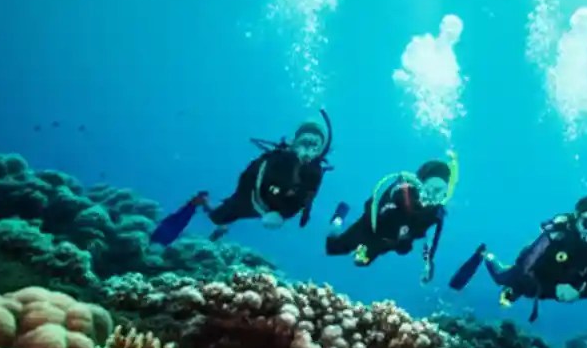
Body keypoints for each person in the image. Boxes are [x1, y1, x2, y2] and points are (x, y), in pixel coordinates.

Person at [151, 113, 333, 245]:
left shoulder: (315, 172)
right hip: (250, 200)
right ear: (295, 141)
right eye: (304, 142)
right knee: (218, 217)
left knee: (227, 218)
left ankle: (223, 224)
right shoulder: (277, 158)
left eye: (314, 145)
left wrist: (283, 214)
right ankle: (201, 202)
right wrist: (241, 202)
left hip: (271, 210)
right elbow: (249, 177)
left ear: (321, 149)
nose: (307, 149)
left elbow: (306, 199)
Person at [448, 194, 587, 322]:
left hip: (553, 287)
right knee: (502, 279)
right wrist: (554, 290)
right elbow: (525, 268)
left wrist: (578, 294)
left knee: (517, 294)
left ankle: (512, 292)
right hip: (531, 278)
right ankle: (485, 254)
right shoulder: (556, 235)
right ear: (577, 217)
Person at [325, 152, 457, 283]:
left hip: (393, 241)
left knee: (362, 262)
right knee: (333, 248)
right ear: (421, 184)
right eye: (430, 189)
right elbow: (377, 207)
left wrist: (428, 263)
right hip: (372, 227)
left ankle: (364, 250)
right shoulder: (402, 192)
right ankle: (339, 217)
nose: (433, 196)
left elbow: (433, 239)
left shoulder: (437, 213)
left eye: (440, 192)